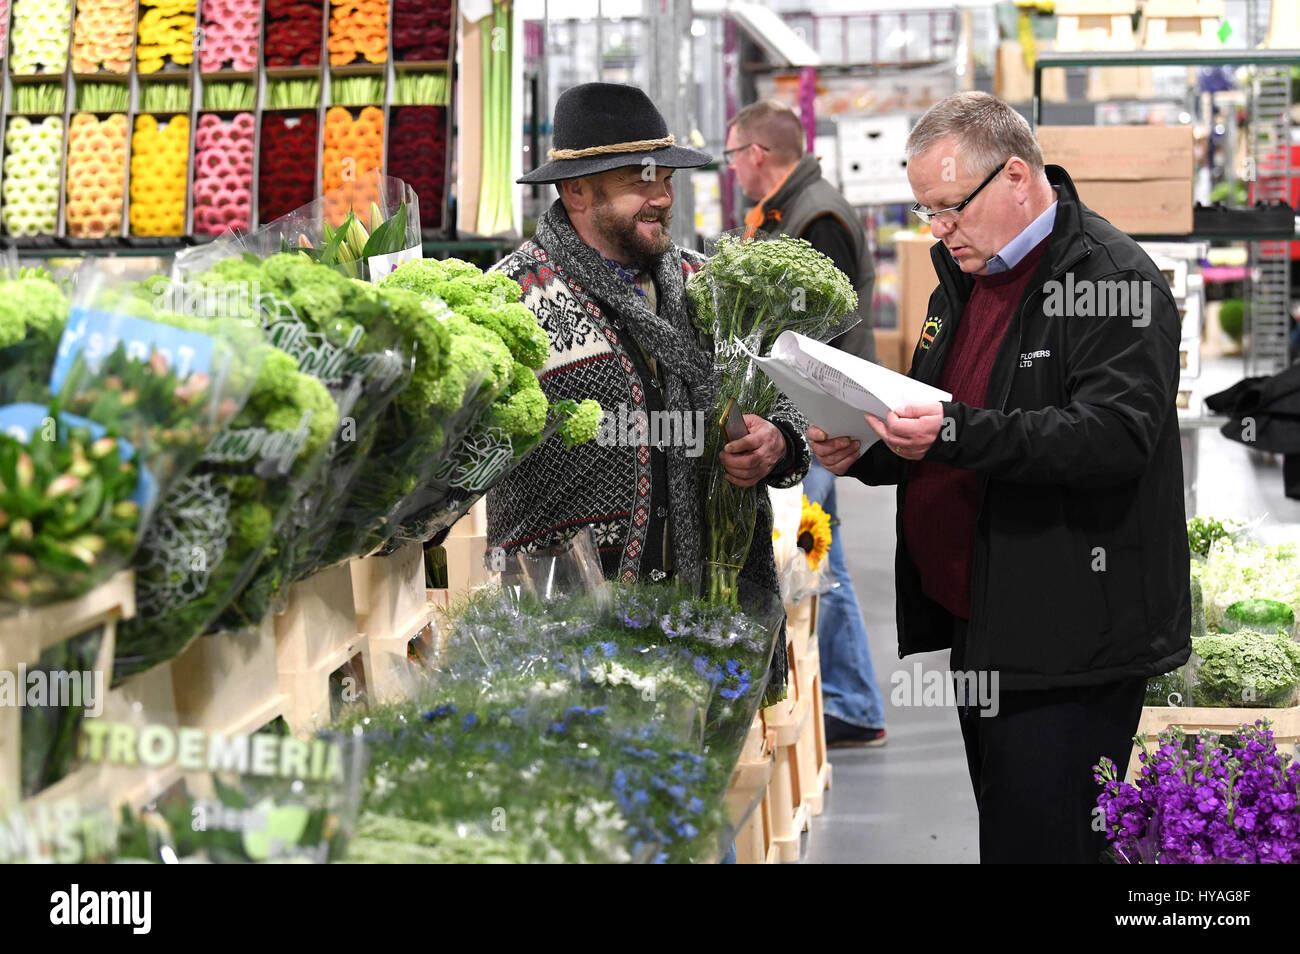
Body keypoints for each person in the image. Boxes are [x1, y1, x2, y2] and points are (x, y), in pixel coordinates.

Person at [808, 92, 1190, 863]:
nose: (939, 232)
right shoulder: (970, 277)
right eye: (928, 214)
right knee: (1012, 838)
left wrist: (951, 429)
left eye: (949, 209)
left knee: (1050, 844)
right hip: (983, 620)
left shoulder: (1112, 281)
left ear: (1017, 176)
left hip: (1070, 639)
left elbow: (1114, 438)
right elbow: (953, 417)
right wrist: (872, 447)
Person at [487, 82, 811, 697]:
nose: (662, 197)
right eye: (641, 181)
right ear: (576, 188)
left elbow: (781, 394)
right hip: (570, 643)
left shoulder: (707, 284)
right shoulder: (513, 301)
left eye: (667, 179)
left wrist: (781, 441)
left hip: (710, 624)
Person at [725, 99, 886, 747]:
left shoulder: (814, 216)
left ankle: (853, 701)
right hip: (804, 410)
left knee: (812, 557)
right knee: (813, 556)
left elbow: (820, 329)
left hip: (815, 413)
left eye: (735, 156)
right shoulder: (790, 210)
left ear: (757, 154)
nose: (733, 170)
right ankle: (850, 699)